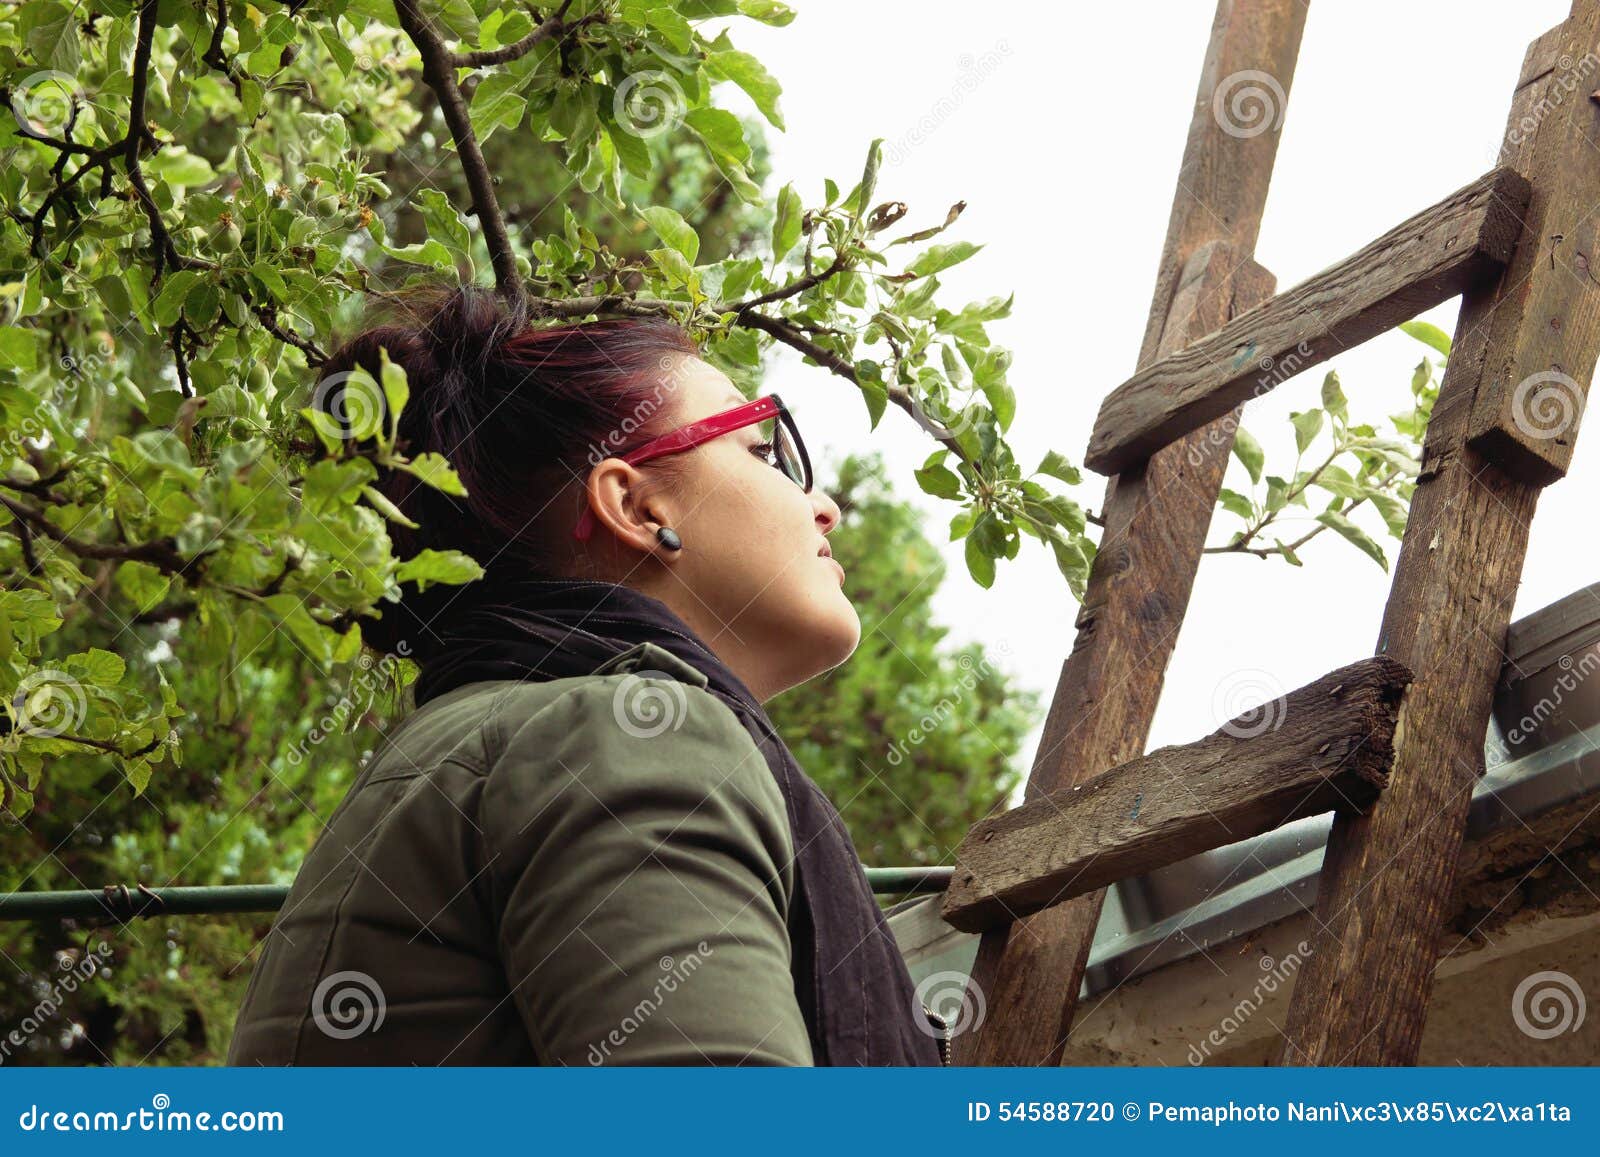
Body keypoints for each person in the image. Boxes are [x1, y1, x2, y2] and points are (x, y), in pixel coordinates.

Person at [226, 284, 948, 1066]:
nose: (825, 505)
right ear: (636, 509)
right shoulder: (625, 735)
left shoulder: (491, 735)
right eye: (764, 449)